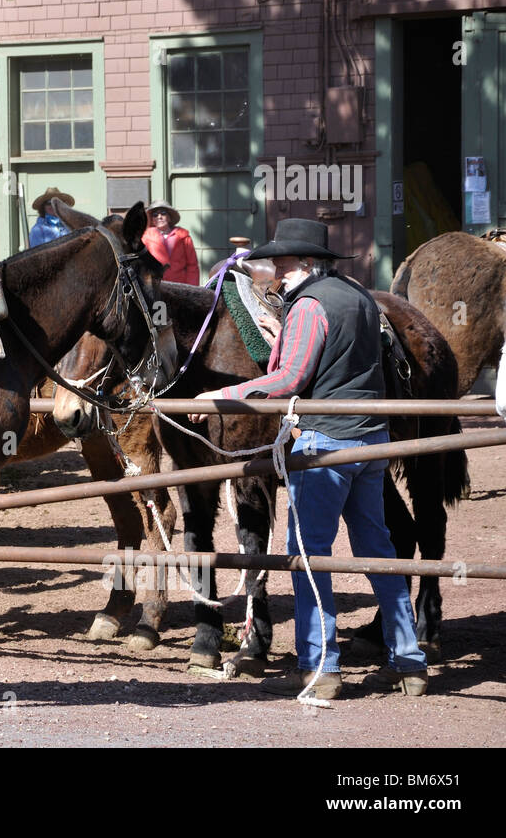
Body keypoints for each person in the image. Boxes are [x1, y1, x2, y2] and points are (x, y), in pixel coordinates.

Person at [190, 218, 428, 700]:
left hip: (326, 445)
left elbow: (289, 378)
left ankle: (322, 669)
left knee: (308, 556)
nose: (275, 268)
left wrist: (223, 393)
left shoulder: (309, 305)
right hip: (372, 440)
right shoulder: (361, 296)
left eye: (282, 260)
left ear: (305, 262)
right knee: (377, 550)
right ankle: (409, 662)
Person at [141, 201, 199, 284]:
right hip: (157, 285)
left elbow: (192, 265)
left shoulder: (183, 237)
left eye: (163, 213)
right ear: (152, 220)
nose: (159, 217)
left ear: (169, 217)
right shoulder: (145, 238)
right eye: (155, 215)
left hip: (180, 285)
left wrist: (192, 287)